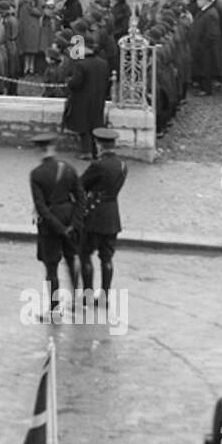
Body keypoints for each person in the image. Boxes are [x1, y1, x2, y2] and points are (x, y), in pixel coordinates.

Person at [29, 133, 83, 321]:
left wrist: (59, 228)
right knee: (71, 261)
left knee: (51, 269)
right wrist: (74, 224)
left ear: (39, 149)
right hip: (69, 219)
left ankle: (54, 311)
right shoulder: (68, 169)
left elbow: (41, 207)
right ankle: (76, 302)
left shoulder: (36, 174)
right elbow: (81, 198)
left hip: (51, 226)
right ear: (53, 148)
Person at [78, 127, 128, 308]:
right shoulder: (123, 165)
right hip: (113, 215)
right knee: (107, 258)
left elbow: (81, 185)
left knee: (85, 255)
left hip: (93, 215)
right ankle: (105, 296)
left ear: (99, 145)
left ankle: (87, 296)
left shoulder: (97, 165)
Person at [62, 35, 110, 158]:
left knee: (84, 127)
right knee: (95, 125)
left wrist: (69, 81)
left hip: (82, 100)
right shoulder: (103, 63)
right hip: (98, 99)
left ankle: (86, 152)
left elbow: (76, 83)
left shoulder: (81, 65)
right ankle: (97, 151)